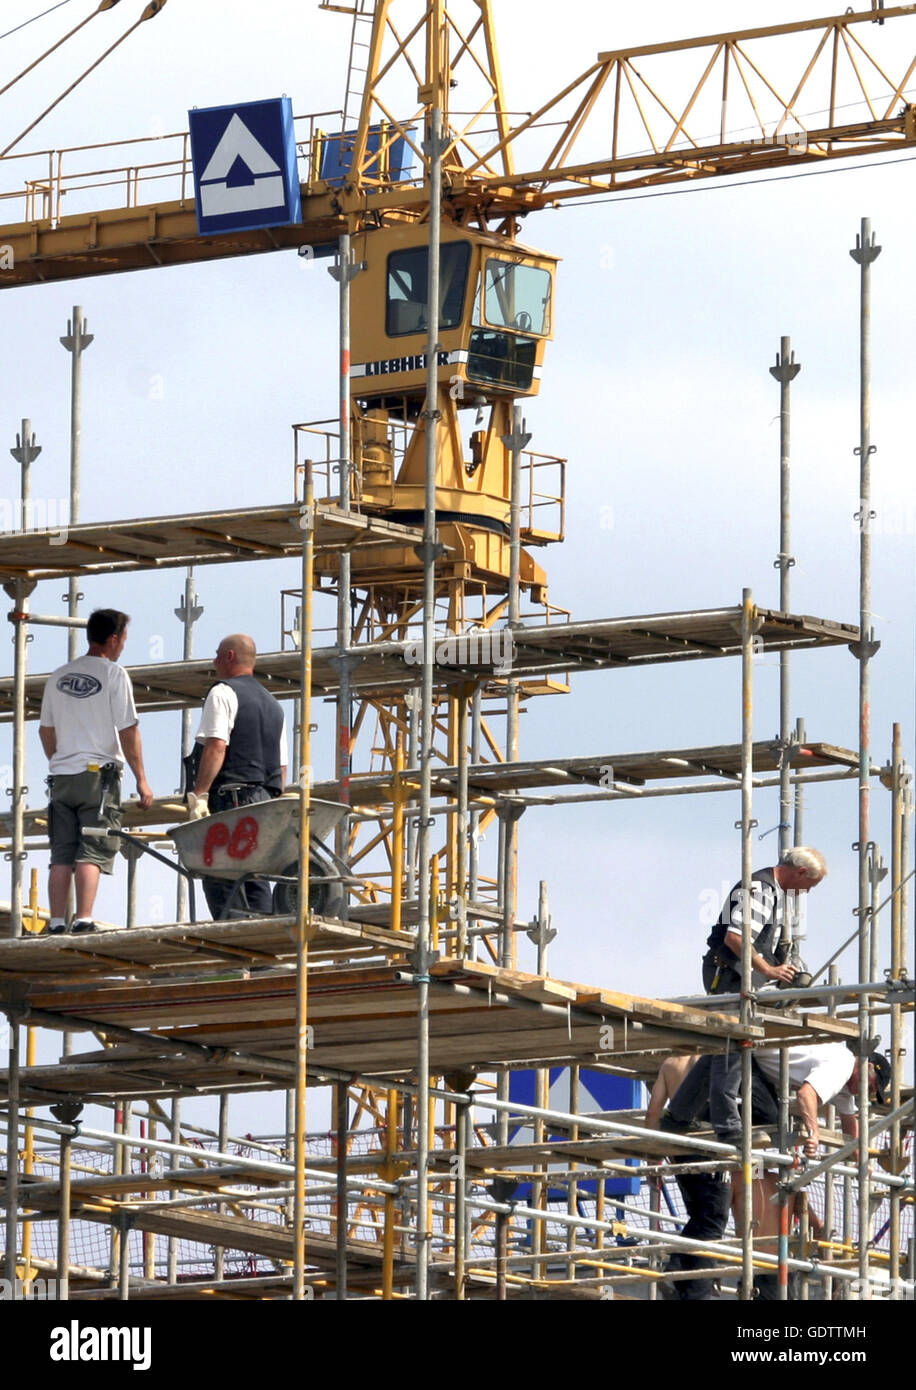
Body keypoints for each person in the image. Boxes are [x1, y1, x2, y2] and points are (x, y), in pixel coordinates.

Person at [663, 1043, 890, 1299]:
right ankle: (719, 1123)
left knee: (721, 1061)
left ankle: (684, 1115)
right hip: (748, 1053)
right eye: (871, 1086)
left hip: (763, 1258)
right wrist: (812, 1132)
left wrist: (863, 1163)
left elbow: (850, 1126)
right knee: (769, 1116)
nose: (869, 1093)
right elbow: (806, 1095)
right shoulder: (841, 1067)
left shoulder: (780, 1183)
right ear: (868, 1066)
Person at [701, 846, 828, 1145]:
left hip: (741, 976)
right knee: (734, 1045)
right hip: (729, 976)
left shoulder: (778, 894)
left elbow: (770, 945)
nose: (806, 892)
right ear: (799, 873)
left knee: (723, 1048)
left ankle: (678, 1113)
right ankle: (727, 1123)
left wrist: (789, 969)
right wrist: (769, 971)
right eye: (809, 885)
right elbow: (736, 937)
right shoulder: (761, 889)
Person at [38, 608, 153, 934]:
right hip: (98, 777)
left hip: (62, 778)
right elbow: (129, 730)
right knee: (92, 847)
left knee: (61, 852)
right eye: (124, 640)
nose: (123, 647)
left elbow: (46, 731)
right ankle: (84, 918)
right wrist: (142, 780)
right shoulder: (114, 674)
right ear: (113, 639)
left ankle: (57, 921)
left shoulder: (58, 676)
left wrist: (60, 762)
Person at [187, 633, 287, 919]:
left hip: (232, 799)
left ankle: (235, 953)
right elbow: (281, 768)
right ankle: (263, 957)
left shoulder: (223, 692)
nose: (214, 660)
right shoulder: (274, 706)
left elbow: (217, 746)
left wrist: (201, 795)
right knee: (255, 878)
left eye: (217, 654)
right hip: (264, 802)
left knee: (222, 877)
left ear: (229, 656)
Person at [647, 1055, 731, 1301]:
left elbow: (654, 1112)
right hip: (709, 1145)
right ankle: (680, 1271)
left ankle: (685, 1286)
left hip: (679, 1148)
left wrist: (653, 1158)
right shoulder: (716, 1059)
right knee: (713, 1218)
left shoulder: (669, 1064)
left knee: (700, 1216)